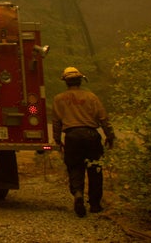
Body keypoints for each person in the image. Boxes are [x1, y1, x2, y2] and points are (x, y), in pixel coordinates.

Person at [52, 66, 115, 217]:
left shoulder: (59, 99)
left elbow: (56, 122)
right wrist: (110, 136)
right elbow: (103, 118)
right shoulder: (91, 97)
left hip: (72, 137)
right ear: (80, 80)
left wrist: (57, 140)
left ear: (66, 82)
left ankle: (78, 193)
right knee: (95, 171)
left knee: (75, 168)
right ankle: (94, 205)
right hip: (91, 136)